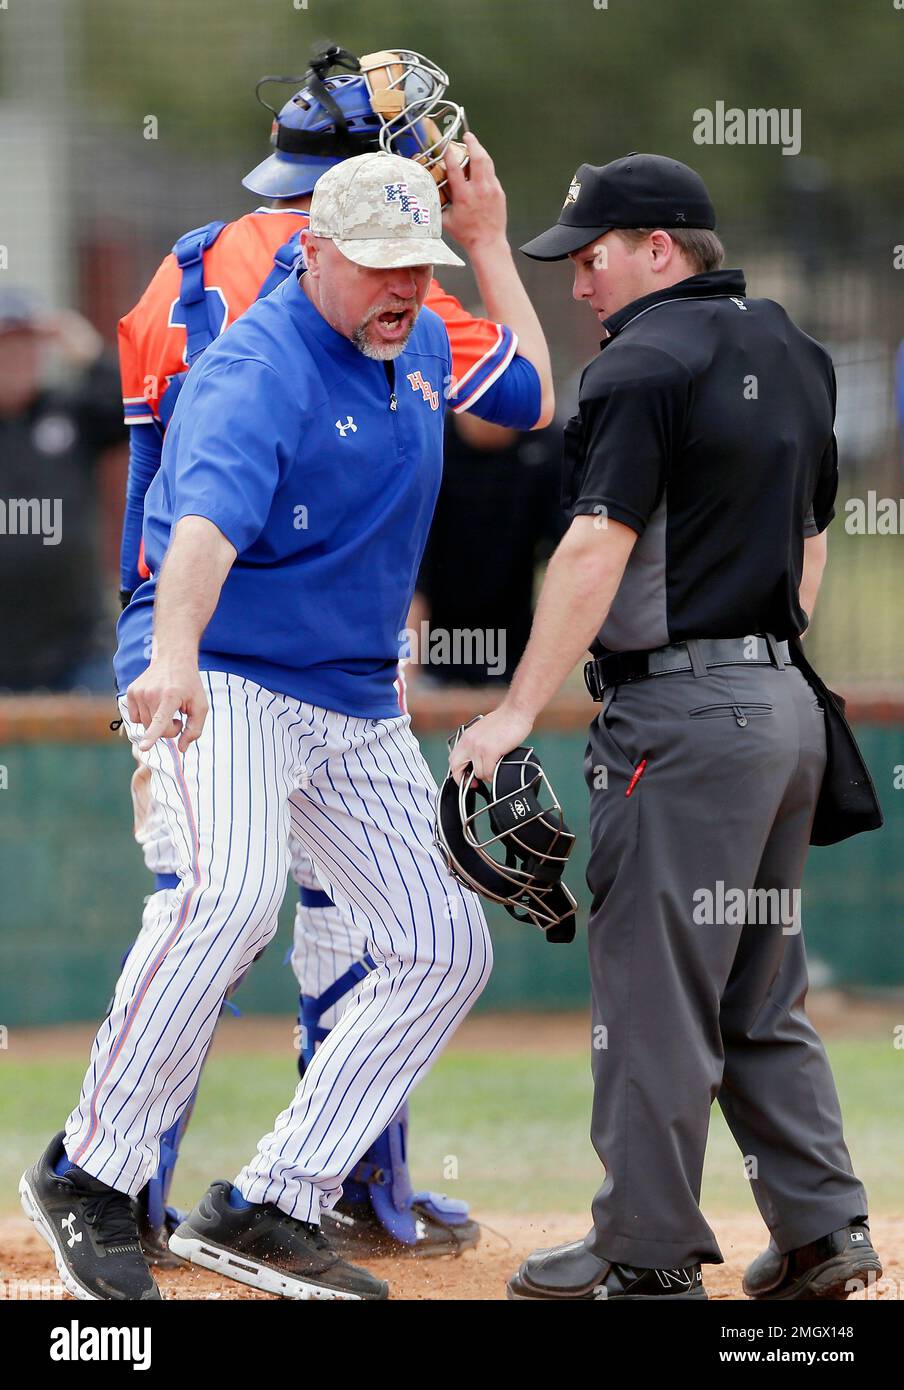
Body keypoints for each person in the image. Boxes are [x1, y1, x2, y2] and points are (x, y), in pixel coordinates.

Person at [20, 151, 508, 1303]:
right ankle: (88, 1170)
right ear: (315, 252)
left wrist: (486, 241)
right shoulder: (257, 367)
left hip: (348, 695)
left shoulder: (422, 340)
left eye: (419, 266)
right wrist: (175, 659)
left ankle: (272, 1198)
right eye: (381, 265)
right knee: (225, 896)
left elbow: (525, 393)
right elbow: (200, 531)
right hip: (223, 670)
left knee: (446, 946)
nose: (404, 287)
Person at [115, 45, 553, 1261]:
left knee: (199, 908)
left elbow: (159, 466)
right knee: (341, 923)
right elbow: (522, 398)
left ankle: (139, 1198)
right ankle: (353, 1190)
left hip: (179, 623)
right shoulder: (382, 272)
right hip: (288, 645)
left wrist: (163, 638)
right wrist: (489, 239)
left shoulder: (186, 264)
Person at [450, 153, 883, 1302]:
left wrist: (510, 713)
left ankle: (641, 1254)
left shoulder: (638, 363)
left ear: (659, 247)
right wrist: (765, 648)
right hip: (786, 709)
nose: (577, 282)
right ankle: (822, 1231)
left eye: (589, 258)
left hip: (682, 725)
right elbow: (814, 531)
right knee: (757, 987)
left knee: (652, 994)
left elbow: (595, 547)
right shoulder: (789, 346)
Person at [0, 289, 124, 692]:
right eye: (7, 348)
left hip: (78, 651)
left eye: (27, 345)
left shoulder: (67, 412)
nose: (19, 359)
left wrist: (89, 353)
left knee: (111, 749)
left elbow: (133, 409)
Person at [408, 409, 567, 687]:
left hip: (512, 655)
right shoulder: (428, 439)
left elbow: (572, 563)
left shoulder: (551, 445)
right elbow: (410, 575)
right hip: (430, 652)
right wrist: (406, 686)